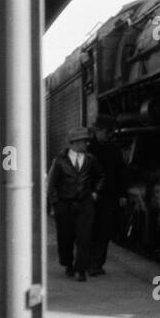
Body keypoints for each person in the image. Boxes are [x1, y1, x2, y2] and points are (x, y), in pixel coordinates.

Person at [46, 126, 105, 281]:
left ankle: (80, 270)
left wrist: (95, 192)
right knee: (66, 237)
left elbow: (100, 176)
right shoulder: (59, 161)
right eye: (85, 141)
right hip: (64, 205)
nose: (87, 144)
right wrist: (56, 203)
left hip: (85, 204)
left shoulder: (91, 160)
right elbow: (51, 184)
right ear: (75, 143)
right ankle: (68, 264)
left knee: (84, 237)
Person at [87, 119, 127, 276]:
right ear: (97, 131)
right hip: (91, 195)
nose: (105, 135)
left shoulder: (113, 149)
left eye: (107, 133)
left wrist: (122, 194)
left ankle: (97, 264)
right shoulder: (88, 148)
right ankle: (90, 262)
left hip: (109, 195)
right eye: (103, 132)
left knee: (104, 230)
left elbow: (120, 172)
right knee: (91, 229)